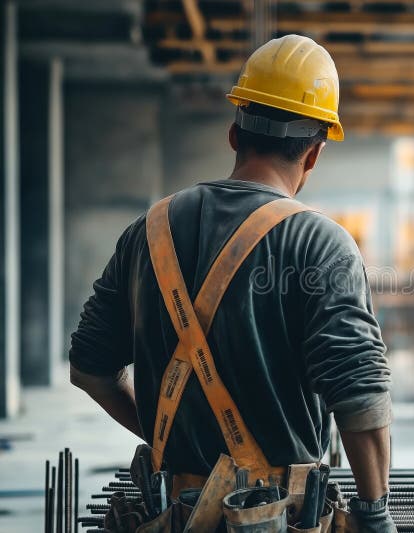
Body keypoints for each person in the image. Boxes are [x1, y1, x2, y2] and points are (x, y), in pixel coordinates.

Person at [68, 35, 395, 531]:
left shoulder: (147, 232)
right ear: (314, 153)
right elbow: (360, 397)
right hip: (279, 519)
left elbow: (90, 368)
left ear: (234, 134)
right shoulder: (320, 243)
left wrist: (171, 439)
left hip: (168, 517)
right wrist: (373, 515)